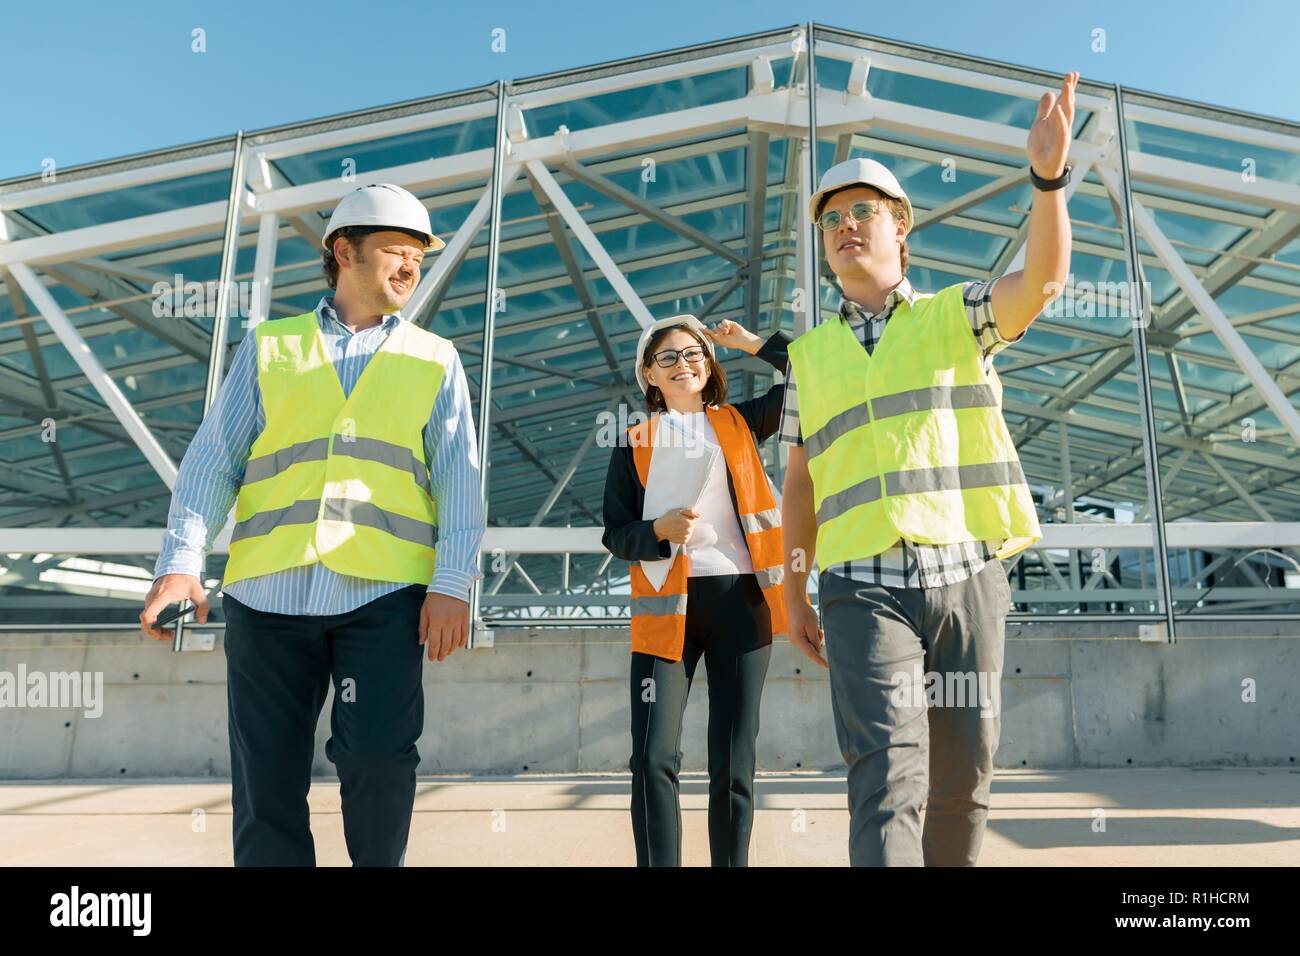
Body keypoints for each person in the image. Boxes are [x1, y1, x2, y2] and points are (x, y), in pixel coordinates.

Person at [139, 182, 486, 867]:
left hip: (384, 599)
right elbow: (214, 461)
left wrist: (453, 583)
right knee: (266, 780)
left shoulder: (435, 358)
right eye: (396, 250)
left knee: (379, 757)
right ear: (344, 251)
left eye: (419, 254)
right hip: (265, 598)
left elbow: (460, 480)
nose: (411, 266)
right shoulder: (269, 347)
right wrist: (181, 563)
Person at [781, 73, 1080, 866]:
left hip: (967, 573)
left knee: (964, 775)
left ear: (901, 228)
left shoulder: (957, 316)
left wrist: (1046, 182)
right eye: (833, 220)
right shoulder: (806, 359)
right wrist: (792, 587)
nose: (846, 226)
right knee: (884, 773)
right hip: (859, 585)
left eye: (863, 212)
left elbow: (1044, 281)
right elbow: (800, 483)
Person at [602, 314, 790, 866]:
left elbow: (815, 374)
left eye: (695, 355)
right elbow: (615, 532)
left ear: (710, 367)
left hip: (742, 603)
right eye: (669, 358)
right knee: (653, 756)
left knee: (733, 762)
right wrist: (656, 532)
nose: (684, 364)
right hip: (669, 610)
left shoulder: (742, 421)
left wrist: (753, 344)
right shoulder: (634, 441)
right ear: (648, 375)